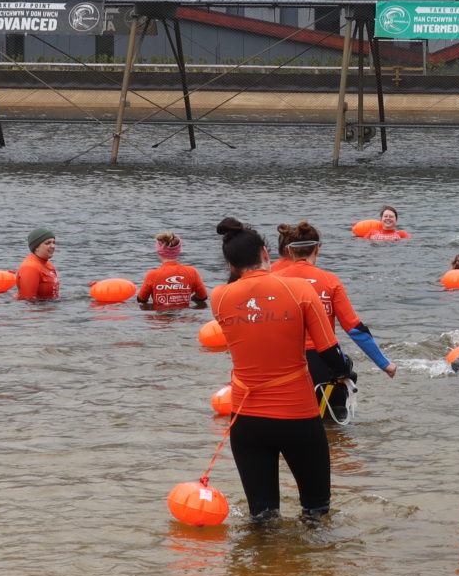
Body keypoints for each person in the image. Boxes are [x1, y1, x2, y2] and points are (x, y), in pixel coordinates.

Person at [208, 219, 352, 518]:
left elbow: (246, 297)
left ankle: (263, 564)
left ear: (231, 264)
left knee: (262, 519)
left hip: (246, 420)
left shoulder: (219, 297)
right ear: (266, 252)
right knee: (317, 512)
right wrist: (343, 371)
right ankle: (313, 564)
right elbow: (328, 350)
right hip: (297, 417)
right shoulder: (299, 289)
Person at [268, 220, 396, 422]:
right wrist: (384, 364)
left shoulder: (273, 280)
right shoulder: (330, 281)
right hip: (323, 364)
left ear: (290, 252)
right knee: (335, 414)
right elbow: (354, 328)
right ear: (317, 249)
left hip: (284, 364)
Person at [136, 232, 208, 310]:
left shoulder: (152, 274)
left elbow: (142, 299)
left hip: (159, 319)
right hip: (185, 319)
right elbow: (203, 297)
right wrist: (189, 298)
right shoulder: (192, 272)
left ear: (159, 251)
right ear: (178, 251)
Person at [16, 228, 59, 300]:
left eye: (53, 242)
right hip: (40, 309)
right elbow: (28, 301)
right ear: (36, 247)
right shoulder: (30, 268)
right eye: (48, 243)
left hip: (49, 307)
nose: (53, 246)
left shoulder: (48, 264)